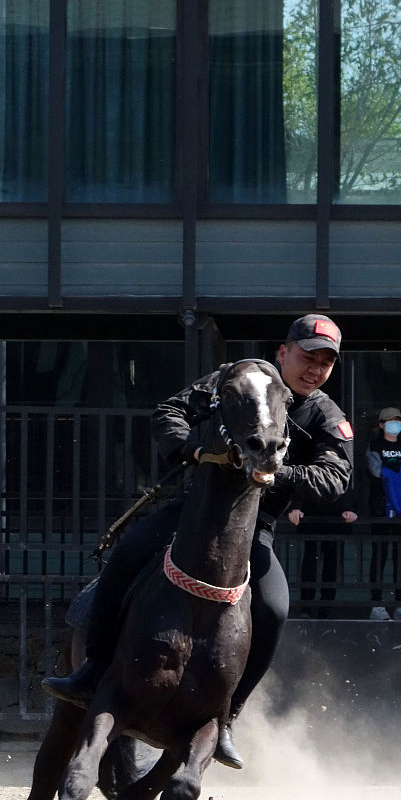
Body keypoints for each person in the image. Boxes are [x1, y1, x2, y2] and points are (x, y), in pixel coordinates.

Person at [42, 313, 354, 770]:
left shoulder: (327, 415)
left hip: (255, 531)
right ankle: (91, 669)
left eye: (326, 362)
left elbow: (336, 477)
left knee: (274, 608)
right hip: (192, 511)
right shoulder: (235, 379)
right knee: (128, 552)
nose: (316, 369)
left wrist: (277, 474)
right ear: (284, 352)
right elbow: (169, 412)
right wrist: (195, 450)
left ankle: (226, 718)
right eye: (308, 356)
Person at [366, 407, 401, 621]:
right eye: (390, 421)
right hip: (381, 507)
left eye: (398, 421)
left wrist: (399, 467)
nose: (395, 424)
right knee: (379, 556)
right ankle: (377, 604)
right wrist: (400, 465)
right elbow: (376, 471)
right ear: (381, 425)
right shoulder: (375, 445)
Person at [288, 492, 358, 616]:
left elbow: (346, 483)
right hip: (313, 516)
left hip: (336, 519)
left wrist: (350, 509)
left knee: (331, 563)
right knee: (311, 562)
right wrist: (296, 507)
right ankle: (307, 606)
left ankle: (326, 607)